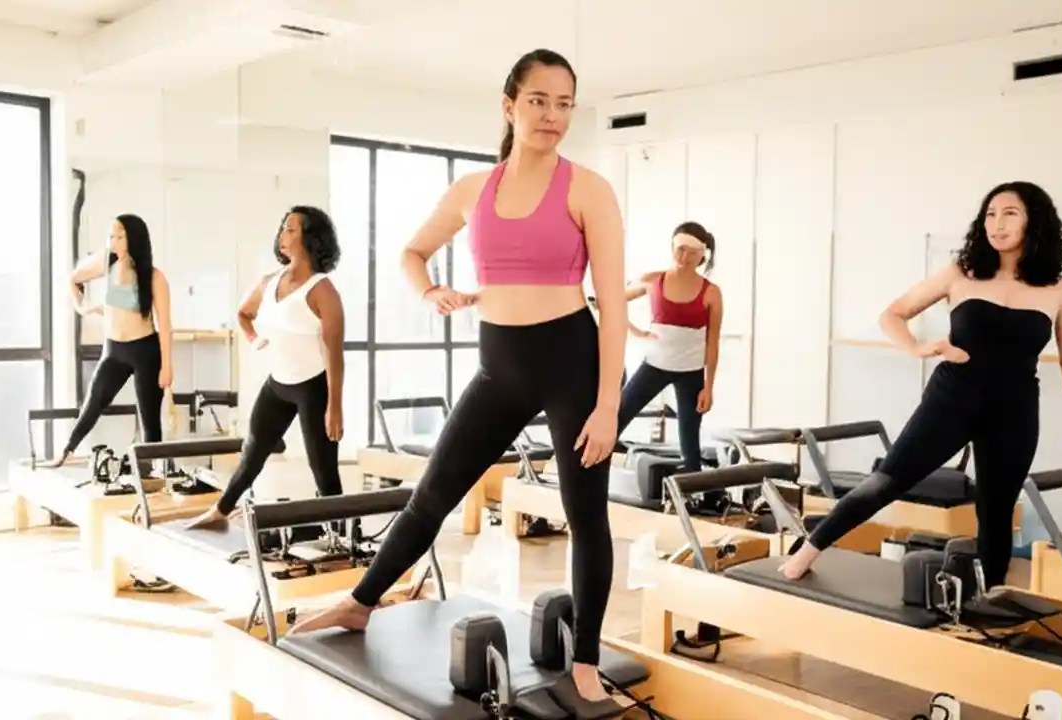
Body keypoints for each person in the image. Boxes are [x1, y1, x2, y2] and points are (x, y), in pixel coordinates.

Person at [290, 48, 628, 705]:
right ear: (509, 106)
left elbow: (613, 308)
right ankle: (361, 602)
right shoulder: (474, 190)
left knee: (585, 515)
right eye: (538, 100)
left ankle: (584, 660)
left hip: (572, 363)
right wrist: (428, 293)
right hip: (497, 366)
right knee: (433, 492)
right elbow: (412, 251)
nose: (552, 116)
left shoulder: (589, 188)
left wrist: (609, 404)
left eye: (564, 104)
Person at [778, 181, 1062, 588]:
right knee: (888, 481)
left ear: (1034, 221)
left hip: (1015, 409)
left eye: (1009, 213)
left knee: (996, 510)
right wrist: (917, 347)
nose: (996, 223)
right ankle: (806, 553)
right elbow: (892, 314)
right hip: (953, 398)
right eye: (990, 213)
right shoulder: (962, 272)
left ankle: (987, 597)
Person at [185, 206, 345, 527]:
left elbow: (335, 353)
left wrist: (335, 407)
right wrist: (254, 337)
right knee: (251, 455)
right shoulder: (269, 282)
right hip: (278, 385)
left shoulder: (322, 291)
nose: (282, 235)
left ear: (311, 238)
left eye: (291, 229)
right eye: (283, 228)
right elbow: (243, 314)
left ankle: (342, 535)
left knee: (323, 471)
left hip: (313, 388)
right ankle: (220, 511)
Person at [49, 213, 172, 467]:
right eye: (110, 235)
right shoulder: (107, 262)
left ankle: (151, 476)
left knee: (149, 419)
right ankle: (65, 452)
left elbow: (165, 325)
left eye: (119, 236)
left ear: (134, 239)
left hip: (145, 351)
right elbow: (74, 277)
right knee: (93, 403)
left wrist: (167, 366)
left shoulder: (154, 277)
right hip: (114, 350)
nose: (113, 241)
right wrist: (82, 306)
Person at [617, 222, 723, 471]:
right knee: (615, 420)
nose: (684, 257)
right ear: (672, 248)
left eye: (692, 252)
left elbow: (713, 343)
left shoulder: (712, 293)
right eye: (680, 249)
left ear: (702, 256)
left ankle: (691, 497)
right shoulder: (653, 280)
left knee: (690, 446)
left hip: (692, 373)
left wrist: (708, 387)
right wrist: (633, 330)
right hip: (654, 366)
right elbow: (609, 302)